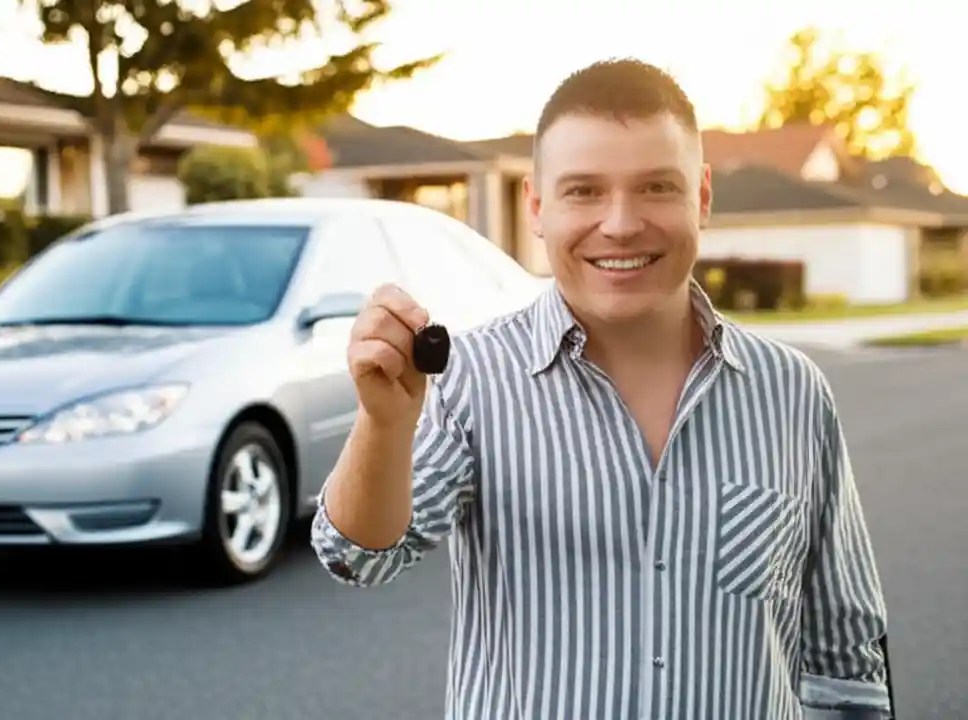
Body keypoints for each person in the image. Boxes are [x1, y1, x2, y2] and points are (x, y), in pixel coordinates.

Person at [310, 58, 891, 720]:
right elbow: (359, 557)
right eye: (584, 191)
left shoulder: (794, 393)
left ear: (701, 196)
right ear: (536, 206)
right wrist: (383, 425)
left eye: (655, 188)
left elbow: (847, 657)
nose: (619, 223)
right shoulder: (472, 378)